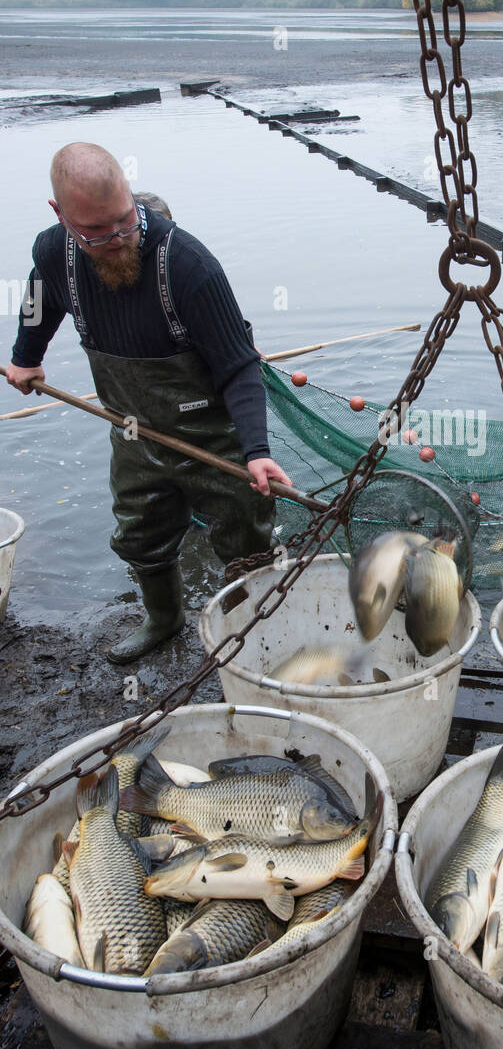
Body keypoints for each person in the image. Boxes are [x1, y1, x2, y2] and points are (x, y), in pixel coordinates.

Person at [6, 143, 291, 662]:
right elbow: (37, 303)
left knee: (245, 539)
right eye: (96, 231)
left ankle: (255, 633)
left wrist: (255, 450)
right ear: (60, 215)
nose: (117, 239)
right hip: (134, 432)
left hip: (213, 435)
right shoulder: (53, 252)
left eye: (124, 222)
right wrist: (25, 357)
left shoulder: (188, 266)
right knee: (139, 532)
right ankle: (163, 619)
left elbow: (239, 365)